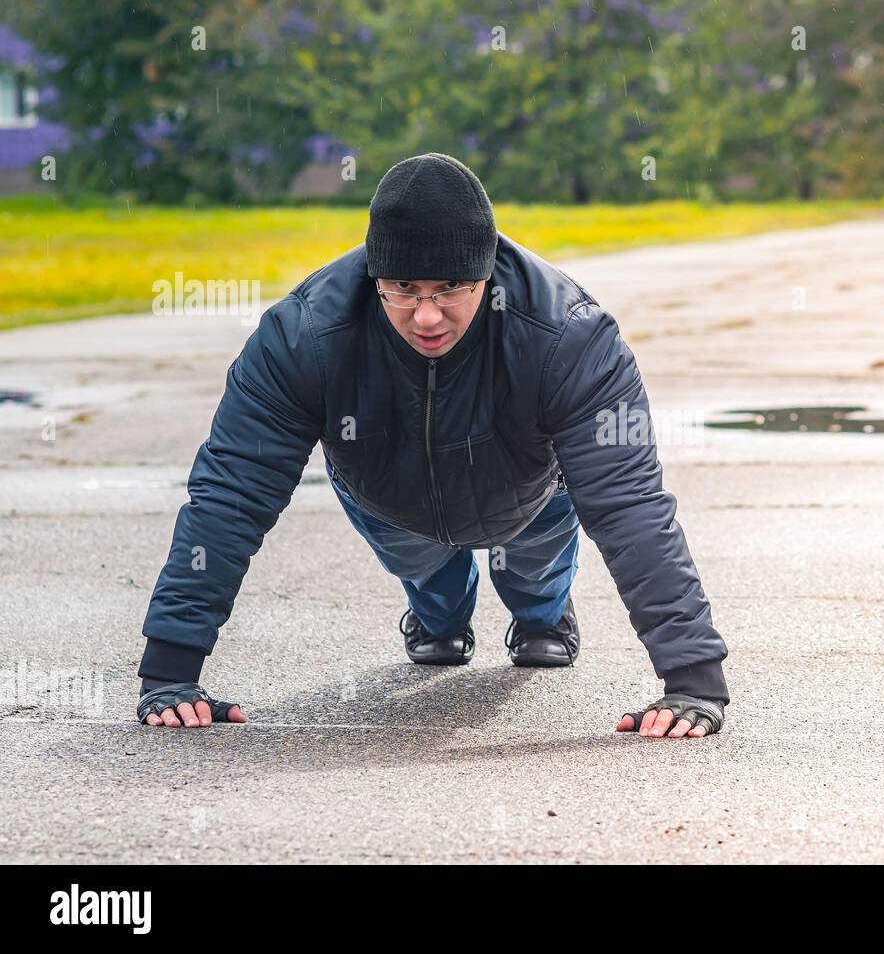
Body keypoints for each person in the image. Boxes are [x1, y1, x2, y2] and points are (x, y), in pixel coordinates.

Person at [135, 152, 730, 739]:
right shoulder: (304, 337)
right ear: (375, 276)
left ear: (486, 271)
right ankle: (439, 614)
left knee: (535, 584)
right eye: (402, 288)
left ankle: (544, 616)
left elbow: (629, 506)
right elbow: (231, 497)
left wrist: (691, 680)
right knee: (436, 602)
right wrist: (170, 673)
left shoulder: (568, 336)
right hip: (390, 498)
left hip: (529, 493)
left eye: (451, 287)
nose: (425, 316)